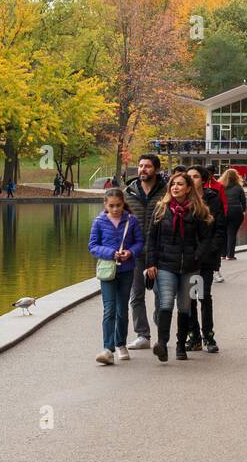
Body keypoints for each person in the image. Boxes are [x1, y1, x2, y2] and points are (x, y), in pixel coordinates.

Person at [142, 169, 215, 362]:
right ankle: (162, 344)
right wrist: (151, 263)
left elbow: (206, 239)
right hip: (165, 265)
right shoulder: (161, 209)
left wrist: (197, 256)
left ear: (188, 188)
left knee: (184, 307)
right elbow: (151, 238)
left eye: (180, 184)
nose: (175, 187)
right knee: (165, 303)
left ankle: (181, 345)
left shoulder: (198, 211)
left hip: (190, 268)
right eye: (173, 184)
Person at [89, 187, 144, 365]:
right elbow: (93, 246)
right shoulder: (99, 222)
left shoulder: (132, 221)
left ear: (123, 203)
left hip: (126, 270)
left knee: (122, 309)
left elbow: (140, 242)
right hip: (107, 271)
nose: (115, 209)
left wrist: (130, 252)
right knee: (109, 309)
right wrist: (111, 253)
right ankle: (108, 348)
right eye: (111, 206)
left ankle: (121, 344)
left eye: (118, 205)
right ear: (105, 204)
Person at [124, 155, 166, 350]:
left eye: (147, 166)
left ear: (156, 169)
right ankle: (143, 335)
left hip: (160, 253)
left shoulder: (166, 192)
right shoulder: (129, 192)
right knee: (136, 295)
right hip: (136, 252)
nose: (143, 169)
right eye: (140, 166)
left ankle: (161, 331)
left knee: (161, 295)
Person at [184, 166, 226, 353]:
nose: (192, 180)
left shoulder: (212, 198)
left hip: (207, 257)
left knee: (204, 295)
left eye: (196, 176)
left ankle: (208, 335)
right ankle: (194, 336)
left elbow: (219, 228)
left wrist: (213, 250)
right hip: (190, 257)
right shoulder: (184, 200)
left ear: (203, 179)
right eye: (189, 177)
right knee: (191, 297)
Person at [220, 168, 247, 261]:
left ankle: (222, 254)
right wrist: (244, 211)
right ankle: (230, 255)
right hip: (236, 211)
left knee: (223, 233)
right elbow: (243, 201)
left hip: (223, 211)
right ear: (236, 176)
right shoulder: (238, 187)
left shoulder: (221, 186)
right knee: (232, 233)